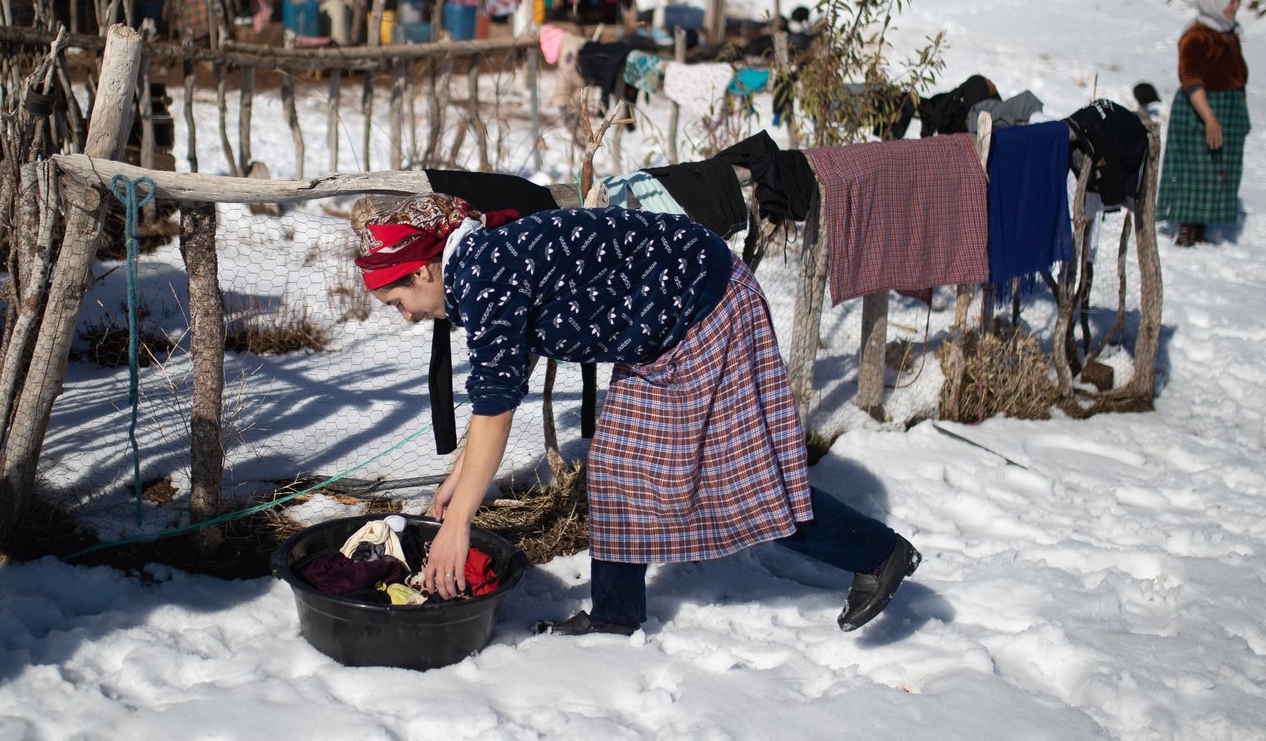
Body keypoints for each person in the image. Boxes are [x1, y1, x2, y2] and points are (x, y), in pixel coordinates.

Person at [350, 193, 920, 636]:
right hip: (661, 328)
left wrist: (459, 524)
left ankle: (879, 553)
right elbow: (503, 375)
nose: (405, 317)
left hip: (705, 306)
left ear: (423, 271)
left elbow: (496, 405)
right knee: (619, 467)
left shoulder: (482, 273)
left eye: (398, 302)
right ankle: (615, 614)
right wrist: (459, 479)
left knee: (742, 481)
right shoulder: (479, 265)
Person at [1156, 0, 1251, 246]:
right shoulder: (1197, 36)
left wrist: (1240, 115)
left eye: (1236, 0)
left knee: (1218, 168)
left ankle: (1203, 224)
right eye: (1231, 1)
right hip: (1199, 109)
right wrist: (1209, 118)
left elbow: (1237, 76)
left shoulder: (1228, 32)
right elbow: (1191, 79)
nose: (1236, 6)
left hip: (1228, 107)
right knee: (1195, 167)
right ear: (1216, 1)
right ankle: (1187, 226)